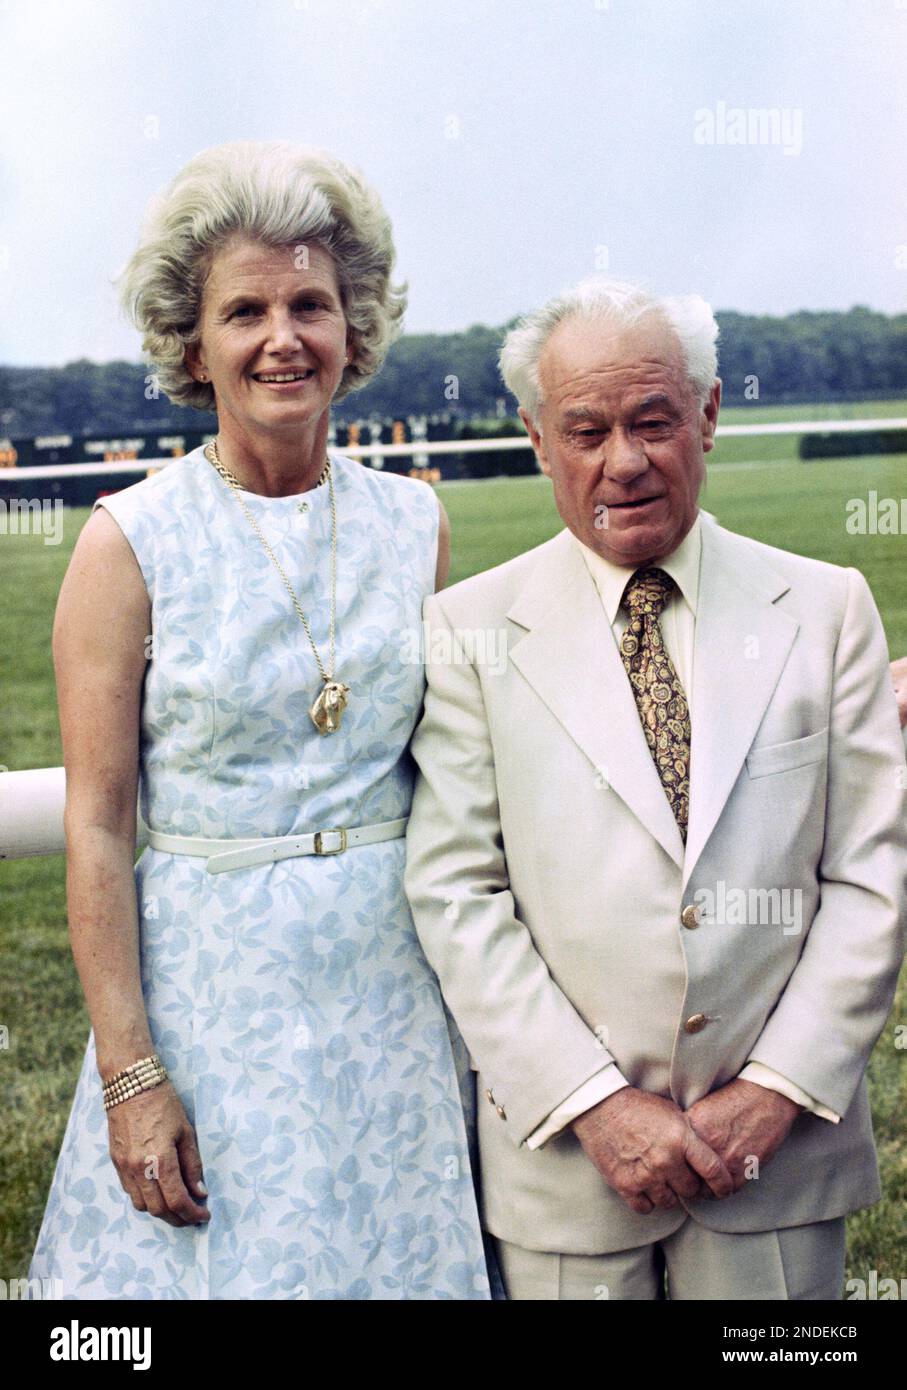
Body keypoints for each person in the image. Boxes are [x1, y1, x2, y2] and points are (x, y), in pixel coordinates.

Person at [28, 141, 492, 1300]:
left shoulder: (412, 523)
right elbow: (94, 825)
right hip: (210, 1005)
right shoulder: (126, 540)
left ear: (355, 327)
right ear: (193, 341)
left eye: (310, 304)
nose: (282, 336)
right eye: (245, 309)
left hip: (393, 994)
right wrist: (134, 1077)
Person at [404, 276, 907, 1301]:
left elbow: (871, 875)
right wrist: (594, 1105)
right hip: (568, 1175)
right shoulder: (467, 631)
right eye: (585, 430)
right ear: (537, 439)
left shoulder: (827, 609)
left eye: (653, 421)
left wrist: (774, 1090)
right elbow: (457, 893)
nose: (622, 461)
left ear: (709, 415)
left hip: (775, 1169)